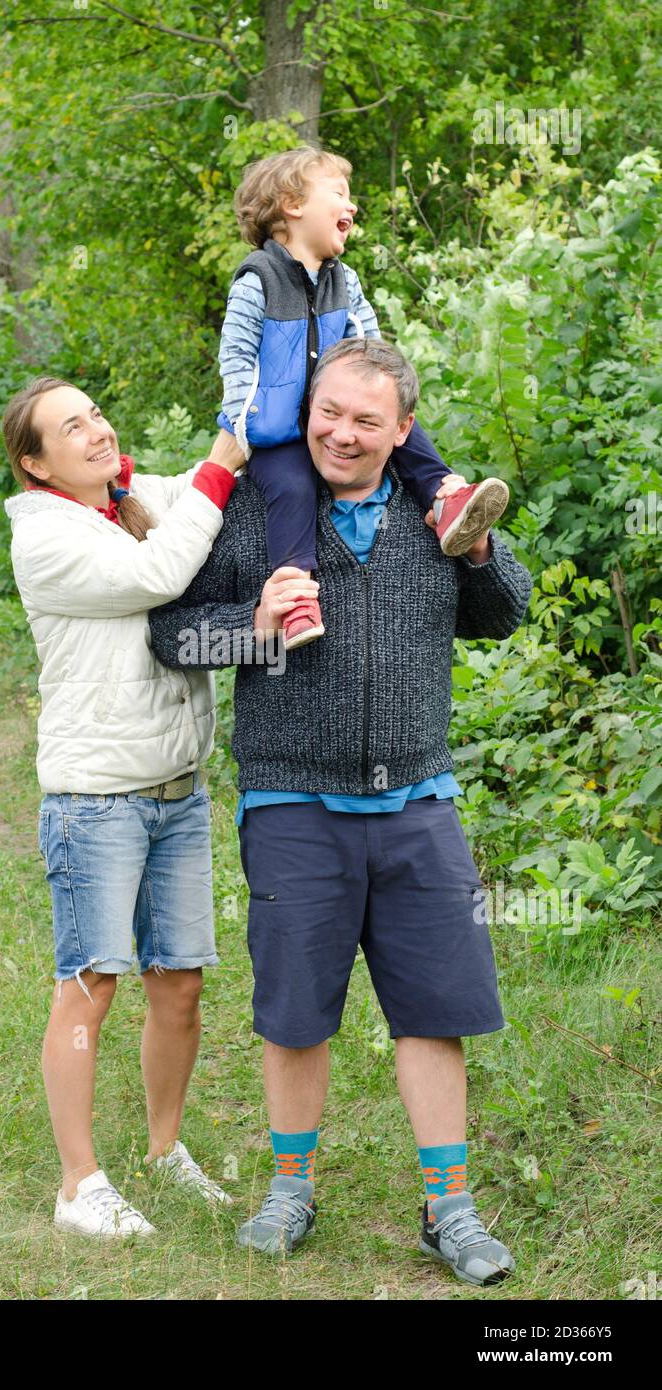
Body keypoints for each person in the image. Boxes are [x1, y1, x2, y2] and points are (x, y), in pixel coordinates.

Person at [149, 338, 533, 1286]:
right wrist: (253, 625)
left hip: (419, 801)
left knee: (433, 1013)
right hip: (291, 803)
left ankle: (451, 1208)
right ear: (306, 410)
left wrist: (479, 550)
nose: (342, 435)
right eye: (329, 414)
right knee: (295, 1013)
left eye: (368, 421)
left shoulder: (433, 513)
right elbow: (171, 633)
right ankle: (289, 1190)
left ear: (403, 430)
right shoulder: (258, 514)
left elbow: (506, 608)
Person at [2, 375, 245, 1238]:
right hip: (96, 798)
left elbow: (201, 492)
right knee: (90, 984)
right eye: (72, 428)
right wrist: (220, 465)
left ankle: (162, 1153)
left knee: (178, 983)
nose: (96, 431)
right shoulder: (49, 539)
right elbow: (161, 568)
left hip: (177, 790)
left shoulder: (129, 498)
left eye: (97, 413)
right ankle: (79, 1187)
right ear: (37, 463)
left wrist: (249, 424)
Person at [217, 145, 510, 649]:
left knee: (401, 428)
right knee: (291, 488)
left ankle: (445, 500)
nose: (351, 207)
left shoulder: (343, 280)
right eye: (339, 194)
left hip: (335, 414)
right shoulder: (256, 281)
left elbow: (373, 351)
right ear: (291, 204)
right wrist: (246, 428)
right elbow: (237, 359)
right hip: (278, 430)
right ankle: (297, 597)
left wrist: (384, 401)